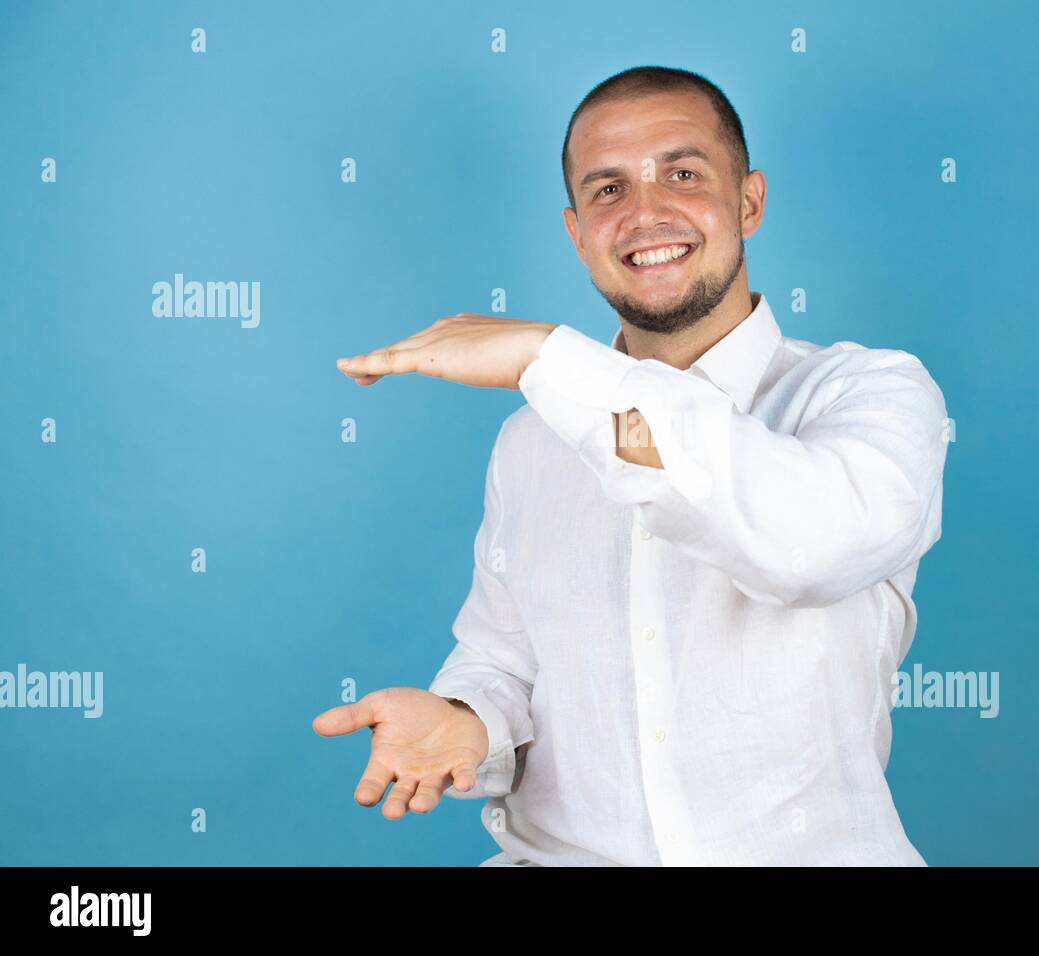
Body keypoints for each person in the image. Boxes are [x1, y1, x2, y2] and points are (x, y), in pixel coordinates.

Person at [312, 65, 950, 866]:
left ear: (749, 201)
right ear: (577, 234)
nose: (646, 213)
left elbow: (807, 545)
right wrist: (464, 716)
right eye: (608, 189)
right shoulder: (531, 440)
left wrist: (549, 358)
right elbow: (504, 659)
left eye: (683, 174)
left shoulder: (871, 393)